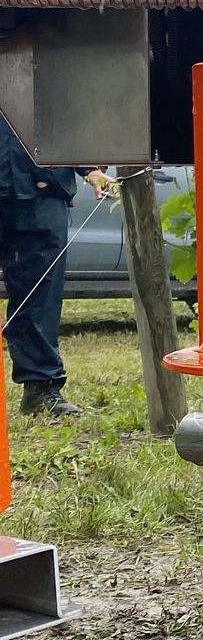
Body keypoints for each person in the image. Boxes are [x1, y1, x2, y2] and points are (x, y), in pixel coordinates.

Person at [0, 112, 110, 418]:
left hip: (43, 187)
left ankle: (40, 389)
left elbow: (71, 105)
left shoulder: (56, 63)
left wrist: (92, 167)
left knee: (41, 296)